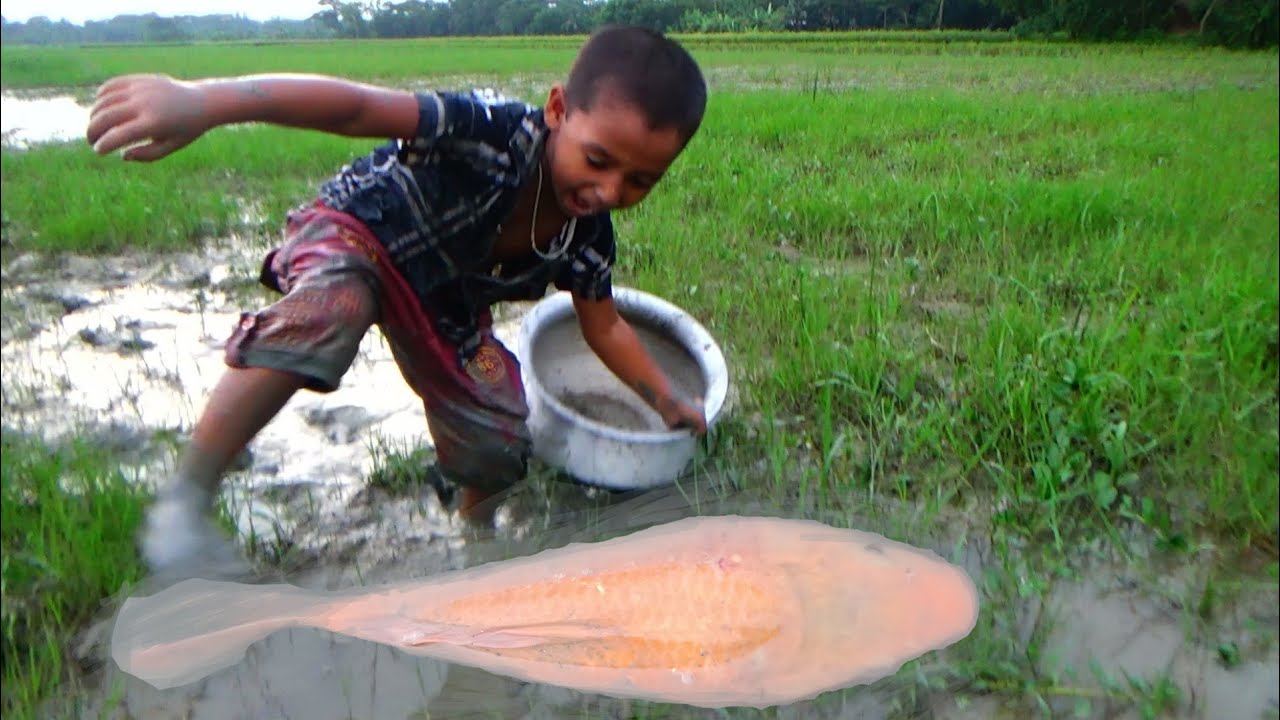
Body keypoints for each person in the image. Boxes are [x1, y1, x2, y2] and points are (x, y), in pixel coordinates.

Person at [85, 25, 710, 578]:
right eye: (597, 160)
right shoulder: (489, 132)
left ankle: (476, 534)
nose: (608, 189)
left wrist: (665, 399)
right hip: (360, 234)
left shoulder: (586, 239)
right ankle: (184, 499)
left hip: (443, 304)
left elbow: (605, 328)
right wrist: (205, 102)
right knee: (331, 311)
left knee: (497, 432)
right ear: (557, 110)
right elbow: (358, 108)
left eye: (639, 181)